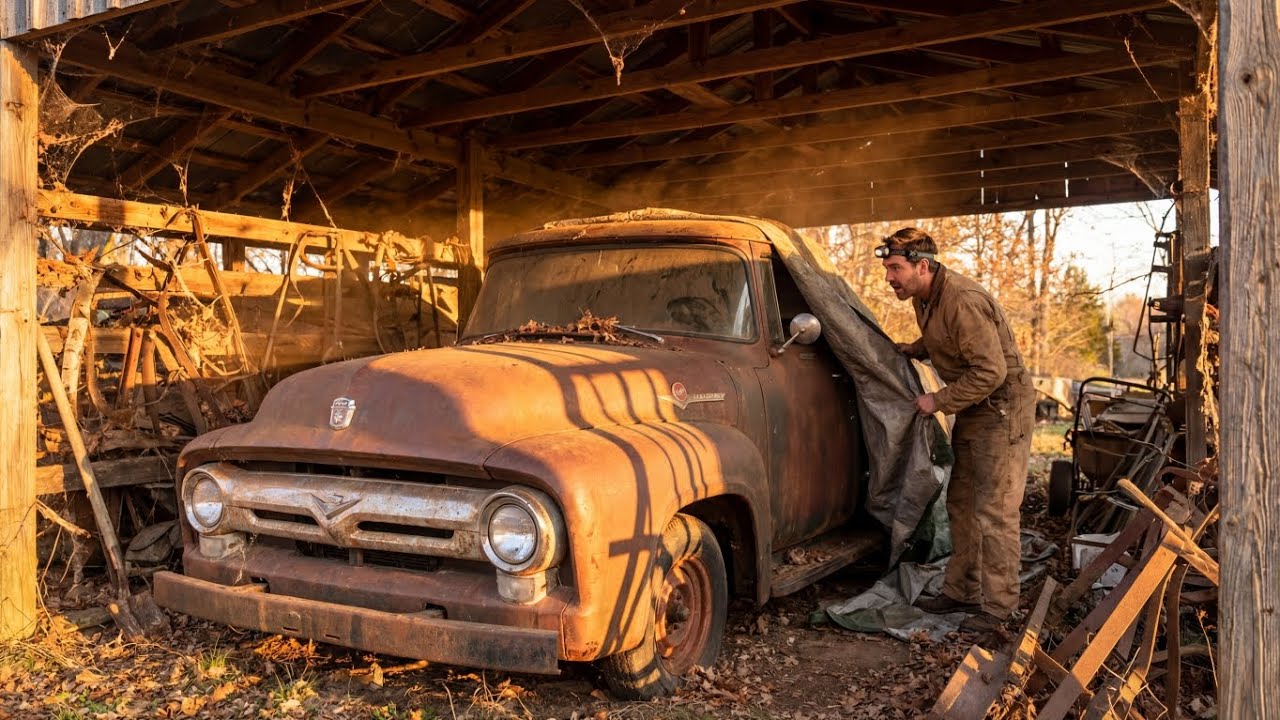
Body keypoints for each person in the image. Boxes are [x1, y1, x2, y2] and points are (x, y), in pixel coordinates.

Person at [878, 227, 1036, 633]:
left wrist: (938, 401)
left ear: (923, 266)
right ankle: (962, 590)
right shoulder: (924, 298)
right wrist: (915, 349)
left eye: (896, 268)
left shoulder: (962, 299)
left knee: (996, 511)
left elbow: (991, 370)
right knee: (961, 504)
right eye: (887, 268)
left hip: (1002, 409)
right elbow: (950, 340)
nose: (889, 278)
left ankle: (1000, 609)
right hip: (975, 407)